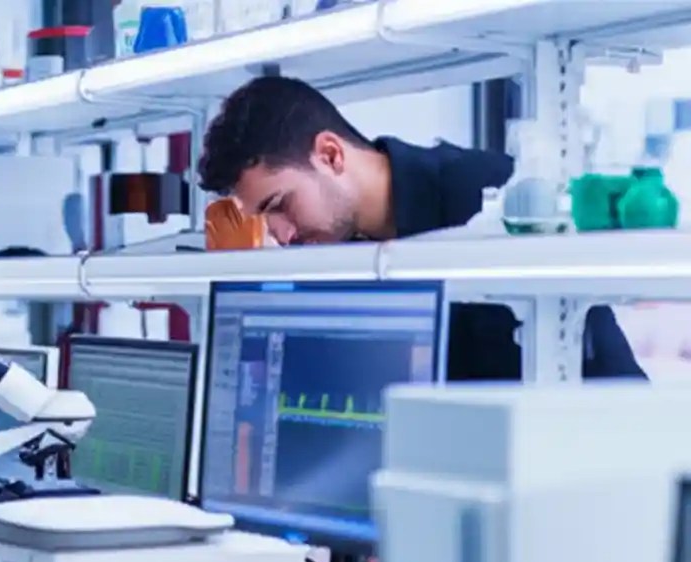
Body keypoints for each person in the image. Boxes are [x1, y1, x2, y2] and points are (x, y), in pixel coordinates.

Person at [197, 75, 645, 381]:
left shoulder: (485, 196)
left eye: (280, 205)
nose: (282, 235)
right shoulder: (331, 250)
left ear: (331, 155)